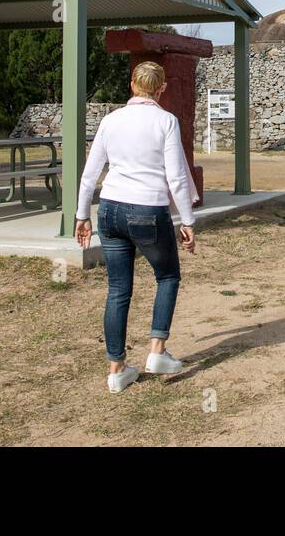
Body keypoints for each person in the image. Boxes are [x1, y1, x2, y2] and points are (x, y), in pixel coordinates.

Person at [74, 60, 199, 393]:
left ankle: (117, 369)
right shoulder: (166, 121)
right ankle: (157, 351)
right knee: (168, 275)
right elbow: (175, 176)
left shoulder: (111, 120)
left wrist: (81, 215)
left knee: (118, 289)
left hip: (110, 210)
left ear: (132, 84)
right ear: (161, 89)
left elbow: (90, 172)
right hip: (148, 209)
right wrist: (187, 220)